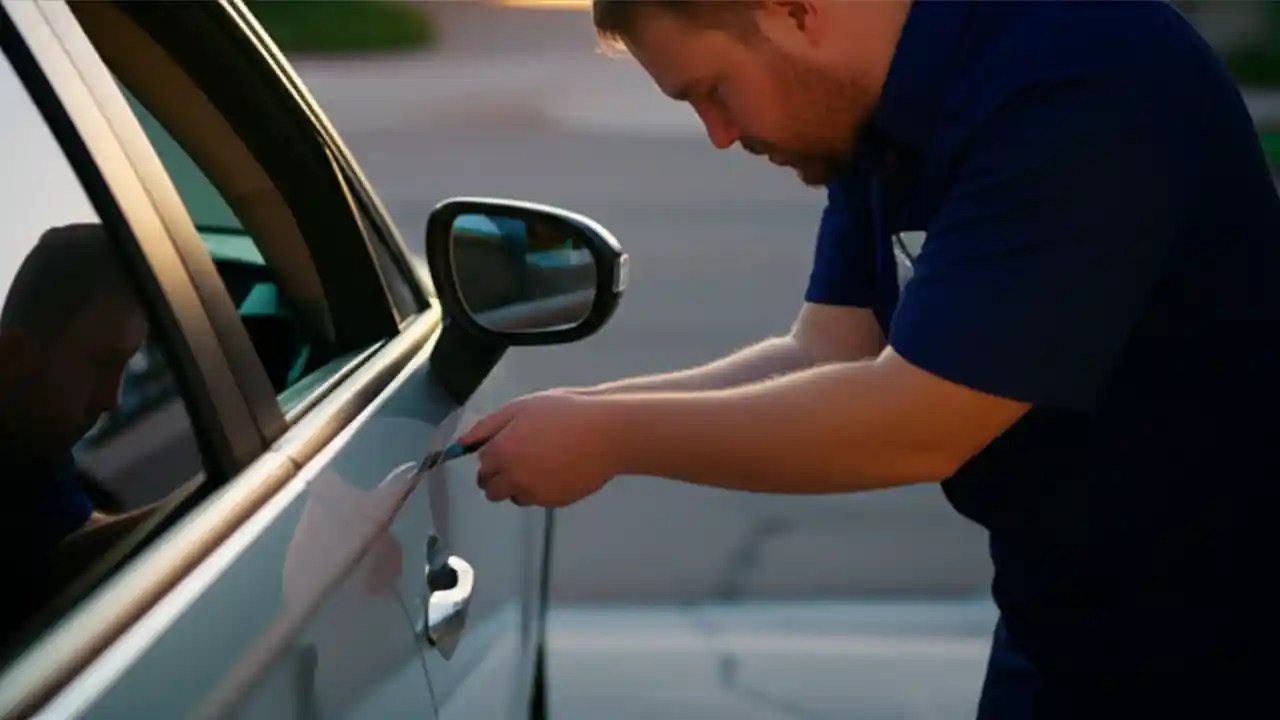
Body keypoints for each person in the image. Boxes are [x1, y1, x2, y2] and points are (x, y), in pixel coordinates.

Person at [457, 0, 1280, 715]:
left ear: (796, 12)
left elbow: (922, 420)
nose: (718, 135)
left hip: (1229, 646)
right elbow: (826, 352)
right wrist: (589, 413)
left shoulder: (1079, 74)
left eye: (712, 90)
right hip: (1067, 630)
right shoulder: (871, 116)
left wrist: (610, 442)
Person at [0, 223, 151, 642]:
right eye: (102, 364)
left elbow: (75, 525)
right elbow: (65, 553)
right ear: (14, 356)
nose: (112, 399)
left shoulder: (37, 454)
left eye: (126, 367)